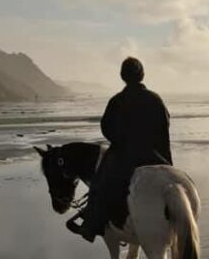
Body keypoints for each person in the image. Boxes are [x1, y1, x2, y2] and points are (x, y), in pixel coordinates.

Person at [67, 57, 173, 242]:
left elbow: (106, 128)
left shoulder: (117, 101)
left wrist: (123, 141)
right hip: (157, 156)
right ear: (142, 75)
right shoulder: (155, 99)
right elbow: (165, 125)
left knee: (99, 185)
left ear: (122, 76)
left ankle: (90, 226)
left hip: (126, 157)